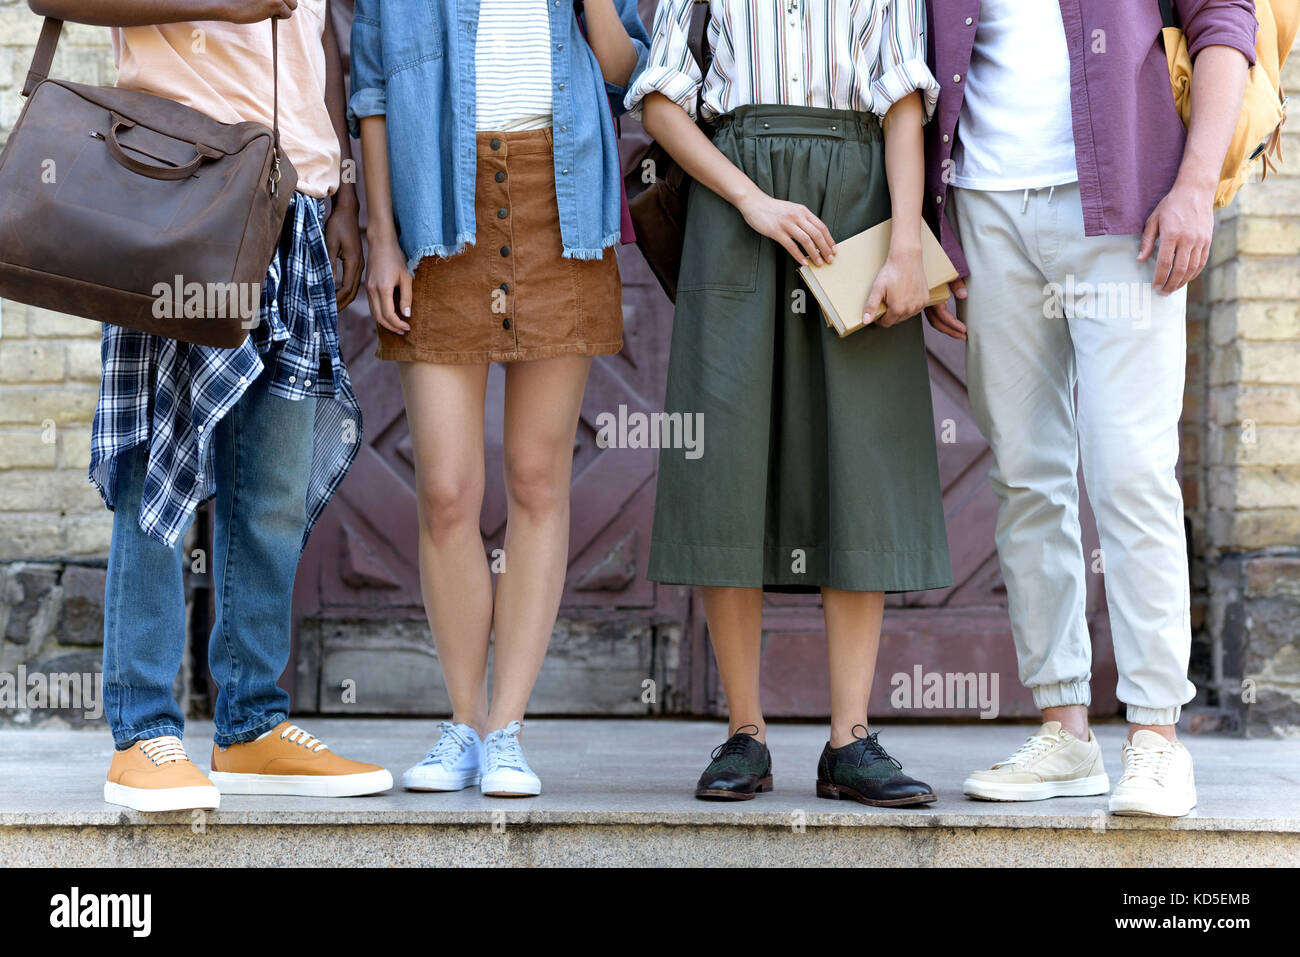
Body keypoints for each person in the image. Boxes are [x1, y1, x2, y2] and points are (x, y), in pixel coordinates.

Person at [28, 0, 392, 811]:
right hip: (182, 187)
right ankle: (143, 734)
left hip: (294, 197)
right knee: (158, 470)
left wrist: (343, 193)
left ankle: (251, 725)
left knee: (271, 489)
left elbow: (317, 39)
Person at [923, 0, 1255, 817]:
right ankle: (1065, 730)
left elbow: (1226, 26)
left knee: (1132, 470)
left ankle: (1155, 738)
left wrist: (1194, 186)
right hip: (988, 204)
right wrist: (936, 223)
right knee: (1028, 477)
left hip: (1128, 207)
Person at [627, 0, 953, 805]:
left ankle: (851, 737)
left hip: (858, 204)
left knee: (862, 454)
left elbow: (903, 100)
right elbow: (661, 100)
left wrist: (907, 242)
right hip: (737, 212)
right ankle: (745, 730)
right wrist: (750, 200)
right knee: (726, 454)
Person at [349, 0, 648, 797]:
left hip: (562, 198)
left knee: (537, 479)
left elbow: (625, 71)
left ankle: (507, 730)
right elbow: (371, 88)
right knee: (446, 489)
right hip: (437, 206)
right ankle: (464, 722)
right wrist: (382, 236)